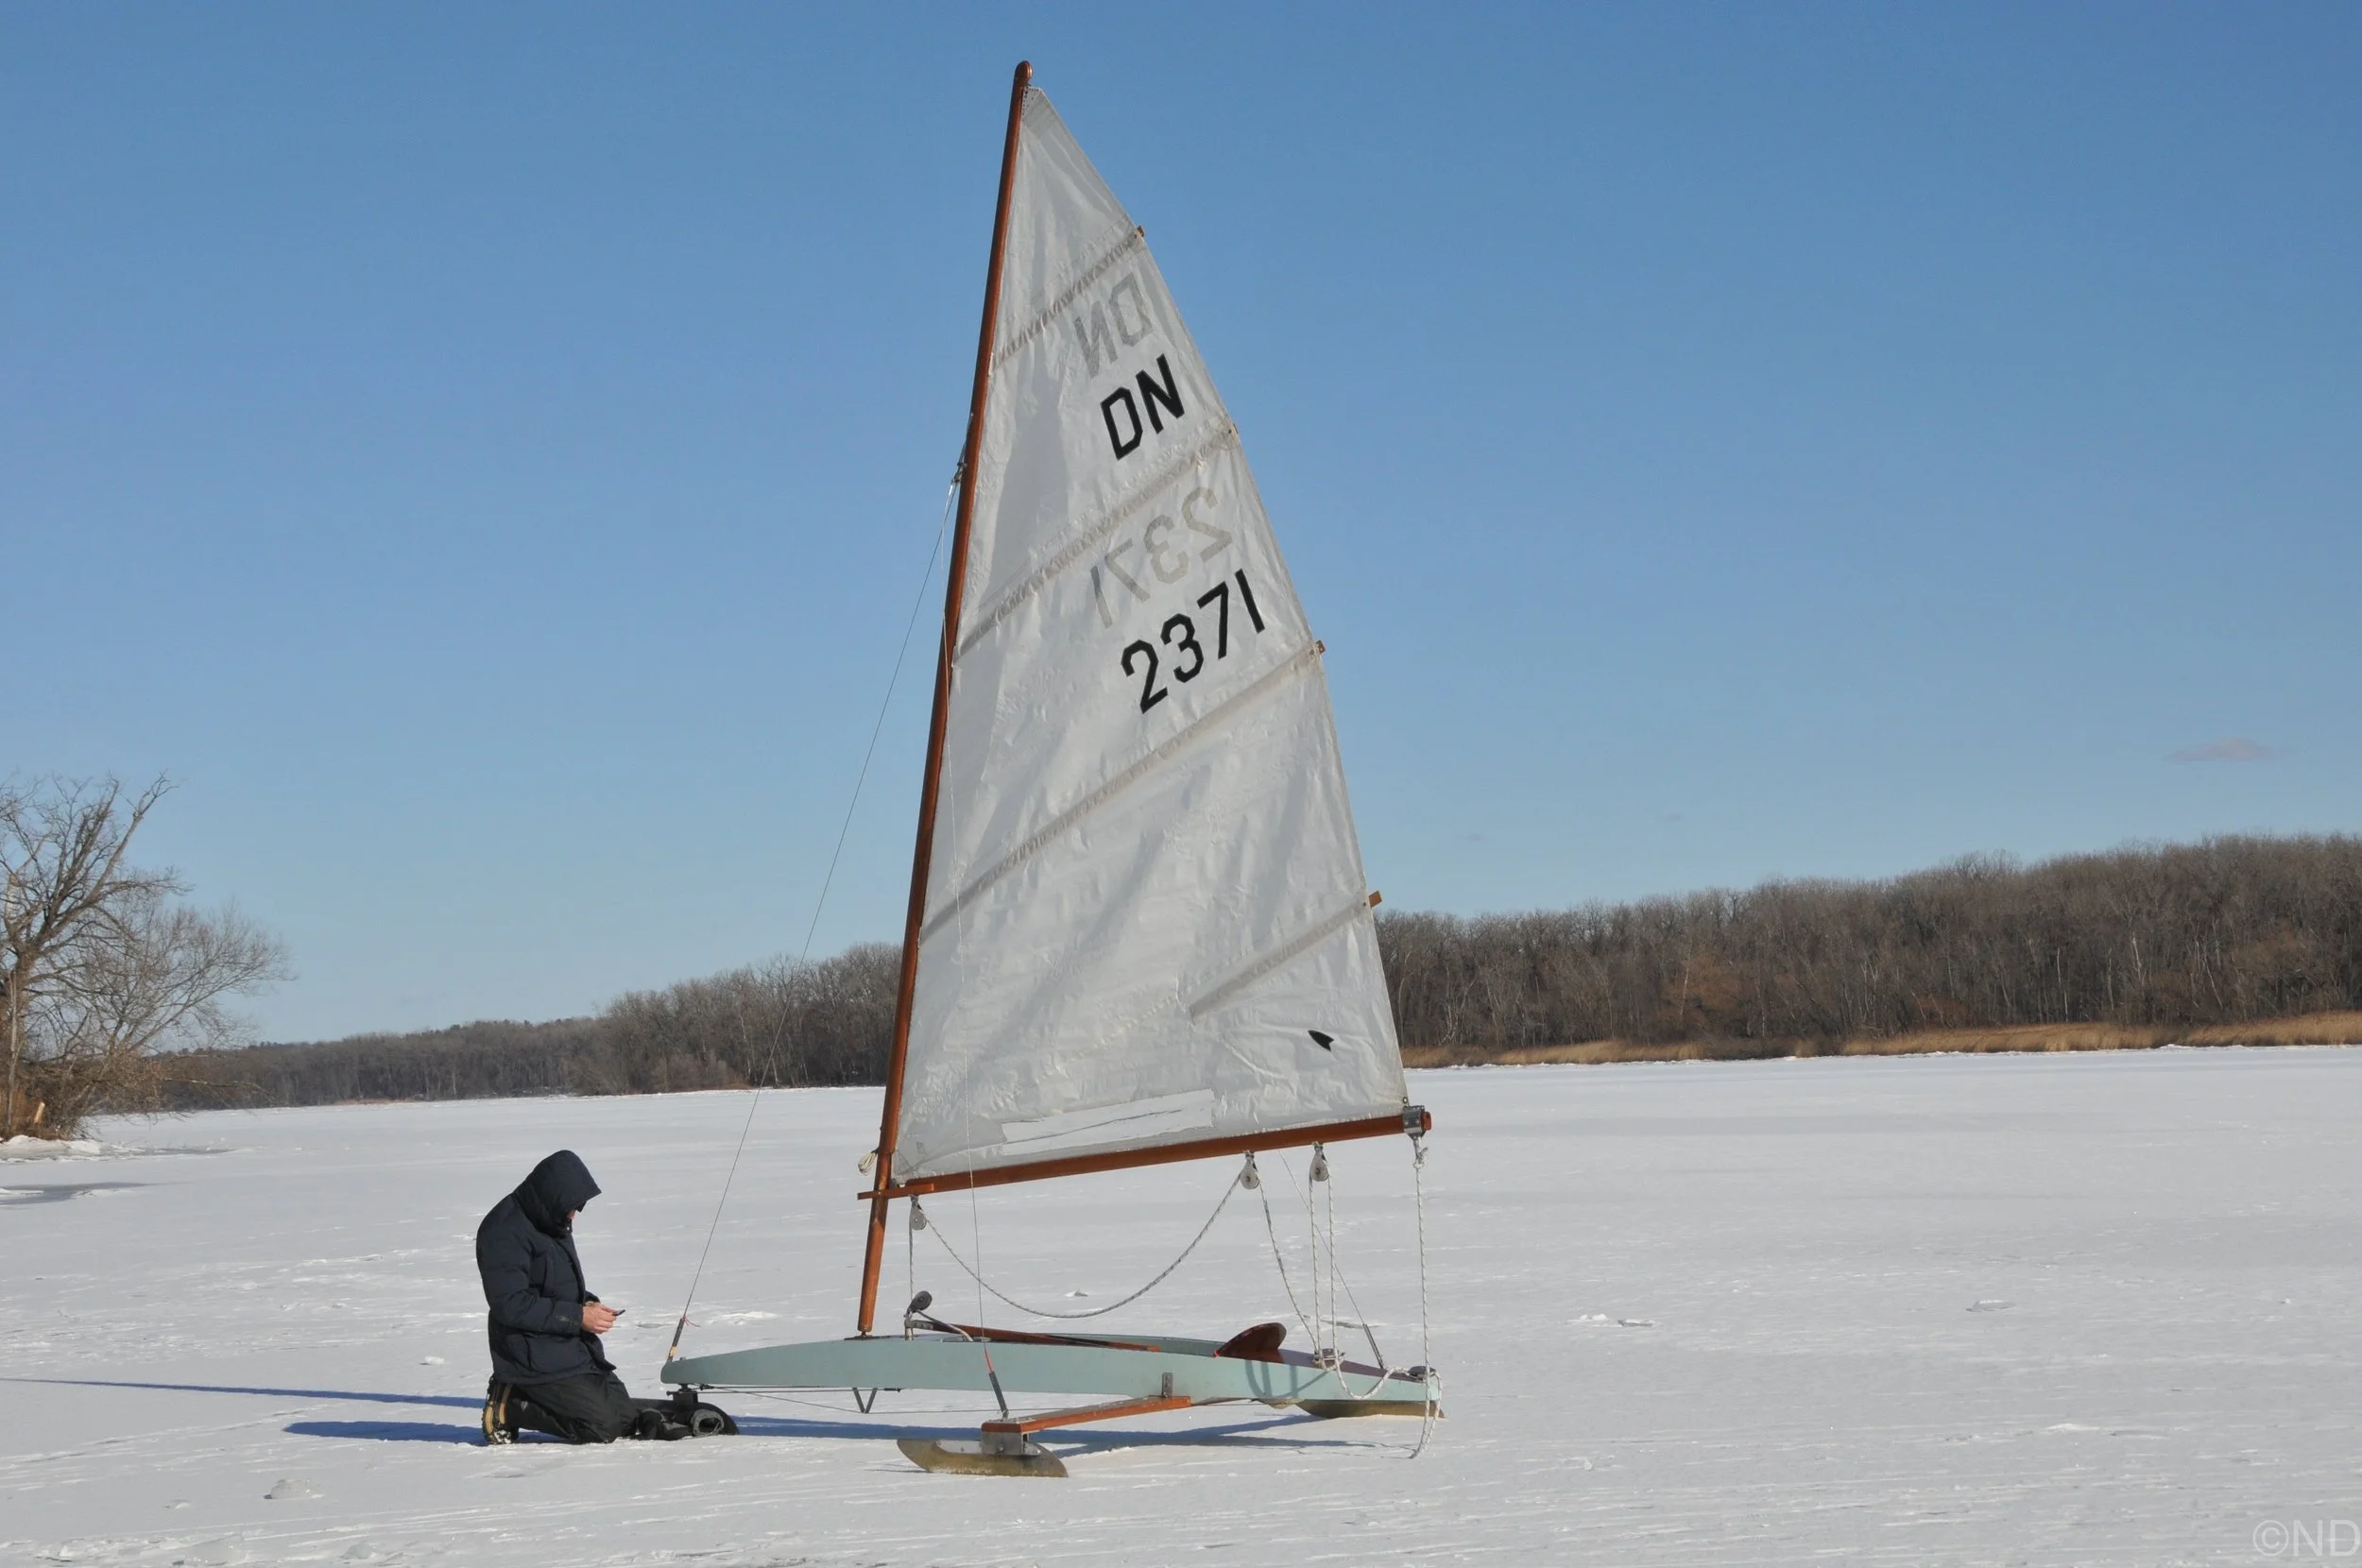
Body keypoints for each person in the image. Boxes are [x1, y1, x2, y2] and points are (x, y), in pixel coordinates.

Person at [475, 1149, 728, 1443]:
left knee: (623, 1419)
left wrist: (587, 1302)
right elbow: (510, 1305)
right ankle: (510, 1405)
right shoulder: (503, 1232)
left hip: (569, 1347)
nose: (574, 1214)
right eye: (570, 1207)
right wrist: (578, 1316)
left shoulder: (549, 1218)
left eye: (578, 1207)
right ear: (550, 1197)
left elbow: (553, 1284)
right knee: (600, 1428)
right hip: (530, 1356)